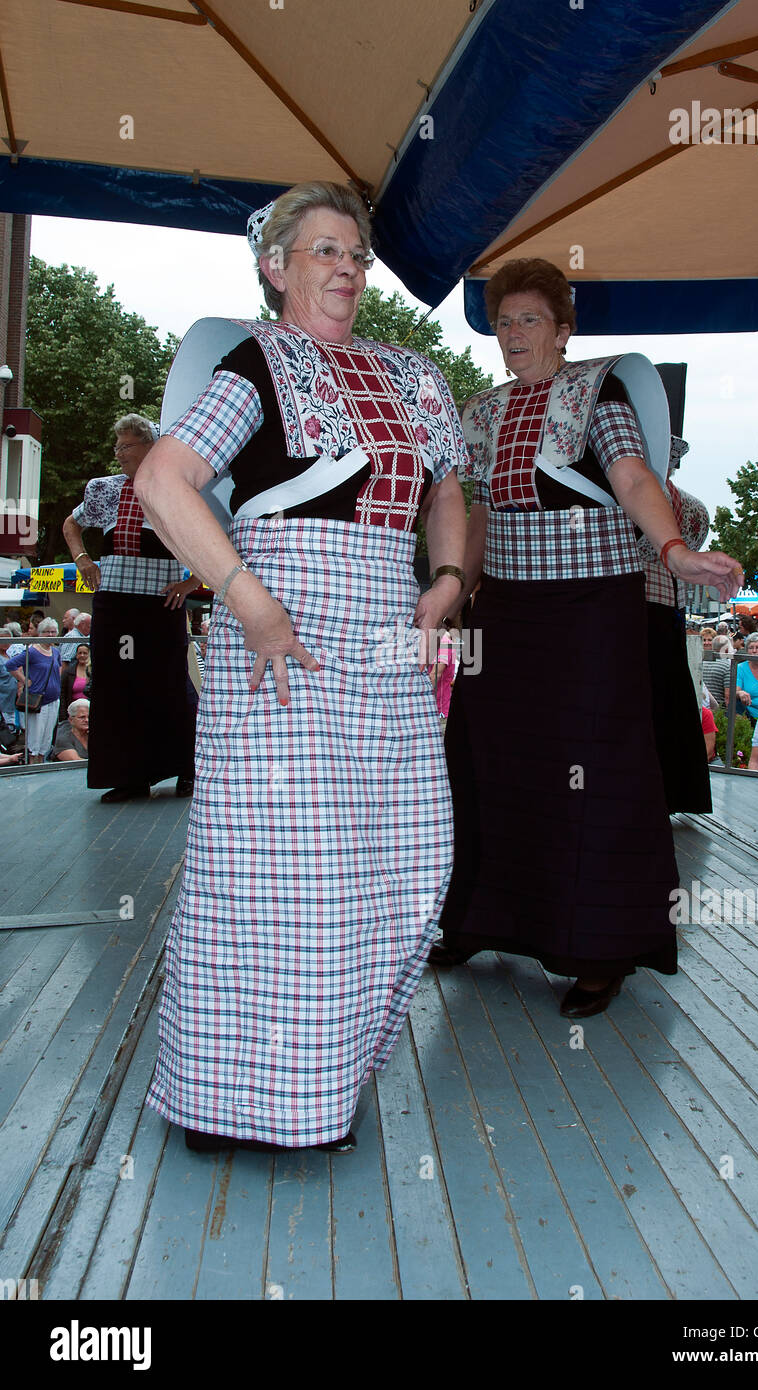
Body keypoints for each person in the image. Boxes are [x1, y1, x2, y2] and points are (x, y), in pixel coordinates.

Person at [134, 181, 468, 1155]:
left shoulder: (414, 377)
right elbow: (164, 481)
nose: (346, 268)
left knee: (403, 861)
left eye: (356, 254)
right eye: (323, 250)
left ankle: (317, 1084)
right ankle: (227, 1100)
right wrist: (249, 602)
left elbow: (447, 491)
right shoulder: (257, 358)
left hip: (383, 645)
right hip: (278, 642)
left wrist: (444, 577)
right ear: (275, 267)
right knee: (273, 878)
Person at [430, 257, 742, 1017]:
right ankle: (477, 918)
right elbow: (480, 515)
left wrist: (674, 552)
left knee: (593, 772)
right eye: (503, 322)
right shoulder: (478, 412)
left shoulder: (594, 392)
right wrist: (453, 588)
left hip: (590, 614)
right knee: (486, 761)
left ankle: (602, 950)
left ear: (563, 332)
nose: (513, 334)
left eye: (529, 320)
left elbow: (634, 477)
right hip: (504, 616)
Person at [62, 415, 199, 802]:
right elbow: (70, 525)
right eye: (117, 446)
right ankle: (130, 777)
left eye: (126, 446)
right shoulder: (103, 490)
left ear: (150, 447)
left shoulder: (176, 489)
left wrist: (191, 582)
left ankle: (186, 771)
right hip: (117, 605)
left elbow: (216, 538)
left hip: (161, 606)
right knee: (118, 686)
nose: (118, 453)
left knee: (170, 683)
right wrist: (82, 558)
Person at [637, 435, 712, 812]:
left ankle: (641, 790)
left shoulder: (636, 499)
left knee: (640, 703)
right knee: (671, 703)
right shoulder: (695, 510)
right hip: (670, 610)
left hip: (635, 608)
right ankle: (675, 791)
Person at [5, 617, 62, 763]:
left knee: (48, 735)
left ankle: (42, 762)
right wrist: (24, 680)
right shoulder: (33, 651)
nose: (50, 635)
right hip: (37, 700)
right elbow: (10, 664)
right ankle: (32, 764)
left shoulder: (56, 652)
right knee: (35, 735)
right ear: (40, 633)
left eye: (53, 632)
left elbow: (59, 670)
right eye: (47, 632)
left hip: (54, 699)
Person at [59, 642, 91, 720]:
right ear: (76, 655)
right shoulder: (68, 672)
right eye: (80, 653)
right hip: (73, 712)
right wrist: (63, 714)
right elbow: (62, 693)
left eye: (85, 653)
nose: (82, 655)